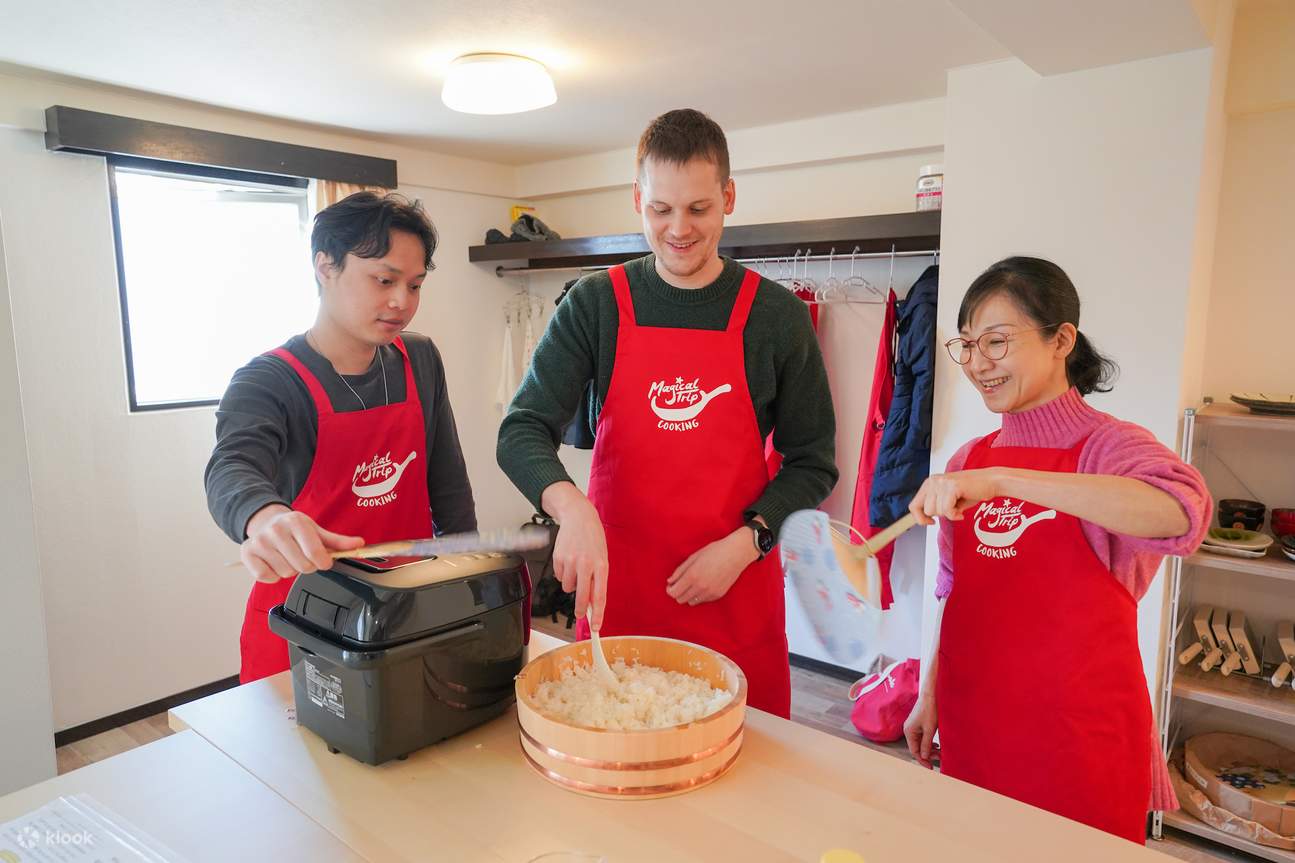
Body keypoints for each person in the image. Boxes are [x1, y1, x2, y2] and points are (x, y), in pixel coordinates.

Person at [497, 109, 838, 717]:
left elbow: (813, 461)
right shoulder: (595, 304)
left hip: (734, 585)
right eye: (661, 210)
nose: (679, 229)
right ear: (637, 200)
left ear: (728, 197)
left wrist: (748, 541)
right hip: (622, 590)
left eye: (699, 209)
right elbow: (521, 429)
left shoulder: (777, 318)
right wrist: (570, 506)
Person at [901, 256, 1209, 843]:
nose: (978, 365)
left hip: (1076, 739)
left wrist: (1007, 481)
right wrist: (929, 694)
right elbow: (953, 590)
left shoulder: (1107, 447)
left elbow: (1182, 515)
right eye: (967, 346)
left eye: (996, 342)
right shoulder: (968, 460)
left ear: (1061, 340)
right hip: (978, 723)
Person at [205, 192, 476, 684]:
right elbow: (231, 467)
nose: (402, 302)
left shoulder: (421, 361)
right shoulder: (268, 380)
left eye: (415, 285)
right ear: (325, 265)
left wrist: (468, 580)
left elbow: (449, 485)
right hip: (305, 621)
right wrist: (266, 517)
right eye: (384, 280)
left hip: (405, 611)